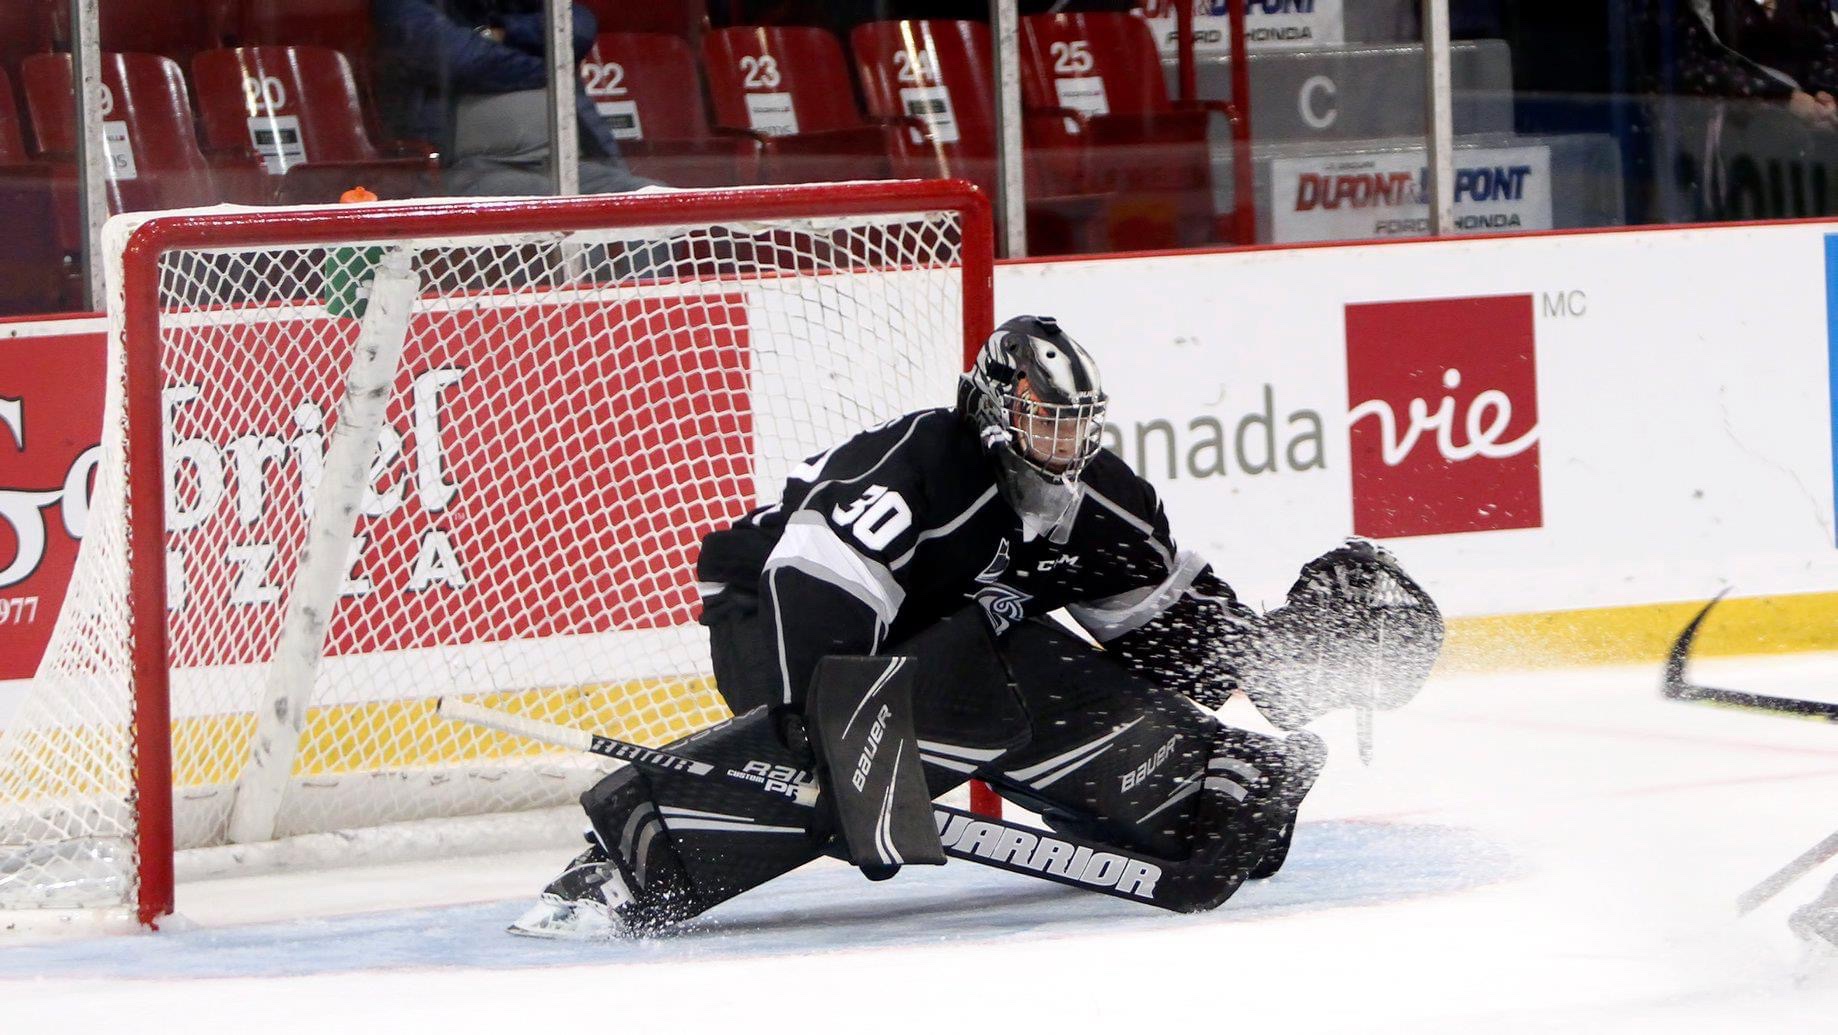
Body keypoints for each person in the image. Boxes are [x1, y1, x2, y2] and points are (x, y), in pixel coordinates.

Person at [512, 315, 1443, 939]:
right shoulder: (924, 471)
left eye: (1079, 423)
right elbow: (813, 584)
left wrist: (1285, 657)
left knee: (1202, 814)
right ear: (999, 409)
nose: (1065, 444)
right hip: (769, 607)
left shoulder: (1104, 505)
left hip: (953, 648)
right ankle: (633, 860)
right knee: (961, 690)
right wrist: (843, 746)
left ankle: (1210, 775)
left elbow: (1164, 637)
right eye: (1046, 418)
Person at [371, 0, 650, 197]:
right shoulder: (402, 6)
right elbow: (461, 59)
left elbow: (576, 26)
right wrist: (551, 66)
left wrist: (499, 33)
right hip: (467, 171)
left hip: (564, 165)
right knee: (561, 208)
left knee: (645, 199)